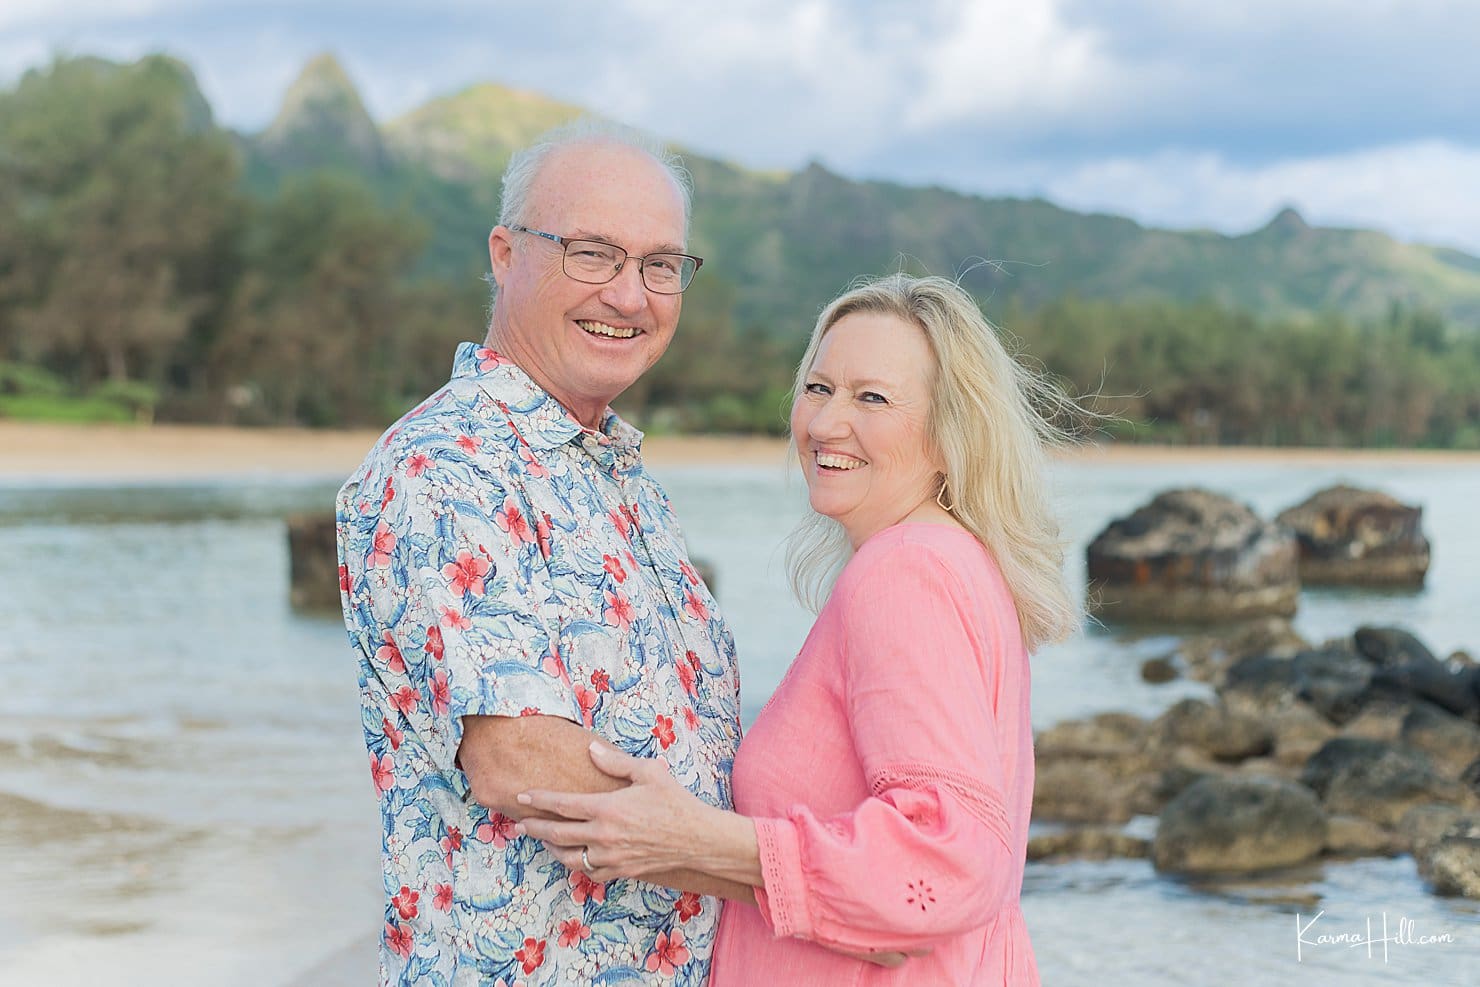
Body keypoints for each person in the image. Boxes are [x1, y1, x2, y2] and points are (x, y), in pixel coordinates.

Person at [517, 273, 1080, 985]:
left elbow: (952, 856)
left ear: (949, 434)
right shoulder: (954, 559)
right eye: (818, 388)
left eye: (871, 397)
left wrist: (697, 840)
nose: (824, 424)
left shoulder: (906, 573)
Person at [335, 121, 744, 985]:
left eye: (660, 264)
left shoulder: (621, 477)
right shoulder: (441, 469)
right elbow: (522, 761)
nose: (630, 296)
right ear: (504, 253)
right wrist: (798, 873)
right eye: (593, 253)